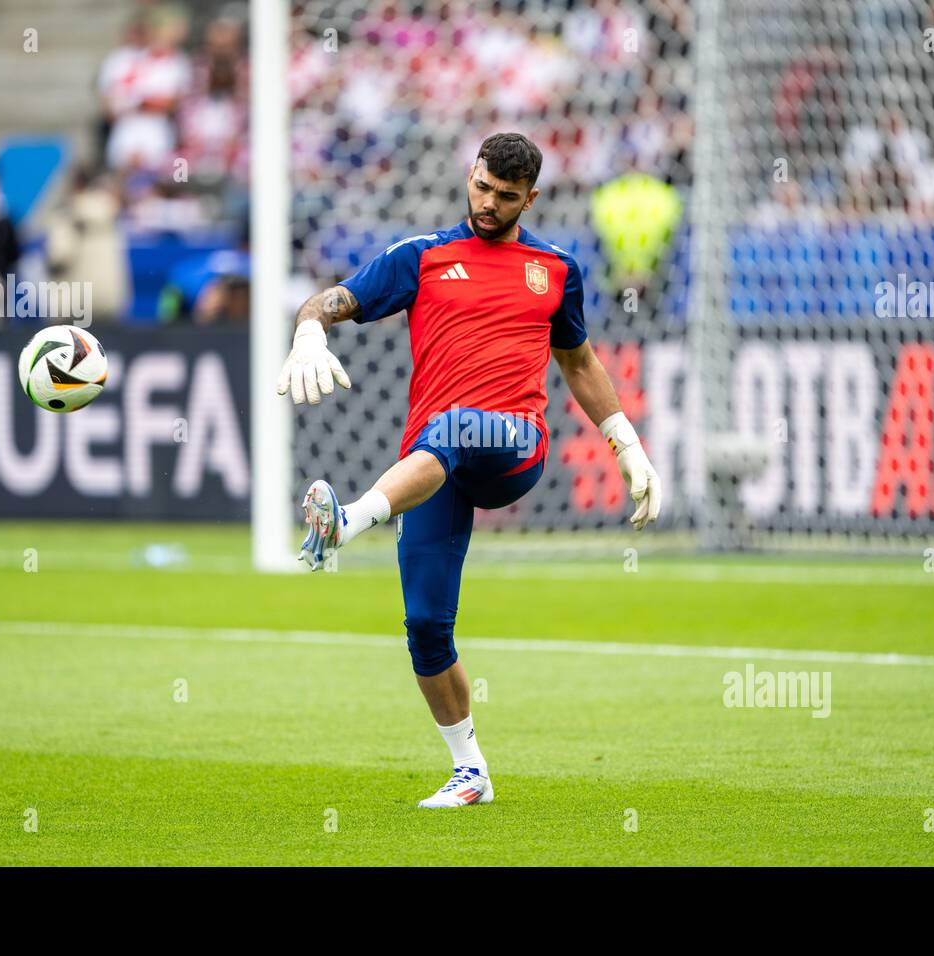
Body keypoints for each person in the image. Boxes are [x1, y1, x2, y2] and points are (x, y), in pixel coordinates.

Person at [276, 132, 662, 808]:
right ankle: (470, 771)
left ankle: (343, 524)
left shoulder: (555, 268)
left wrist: (625, 442)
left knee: (450, 428)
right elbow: (330, 300)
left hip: (517, 445)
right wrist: (310, 330)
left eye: (505, 196)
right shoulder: (419, 258)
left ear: (530, 198)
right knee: (425, 625)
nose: (488, 204)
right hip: (434, 465)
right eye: (482, 188)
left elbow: (577, 361)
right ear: (471, 175)